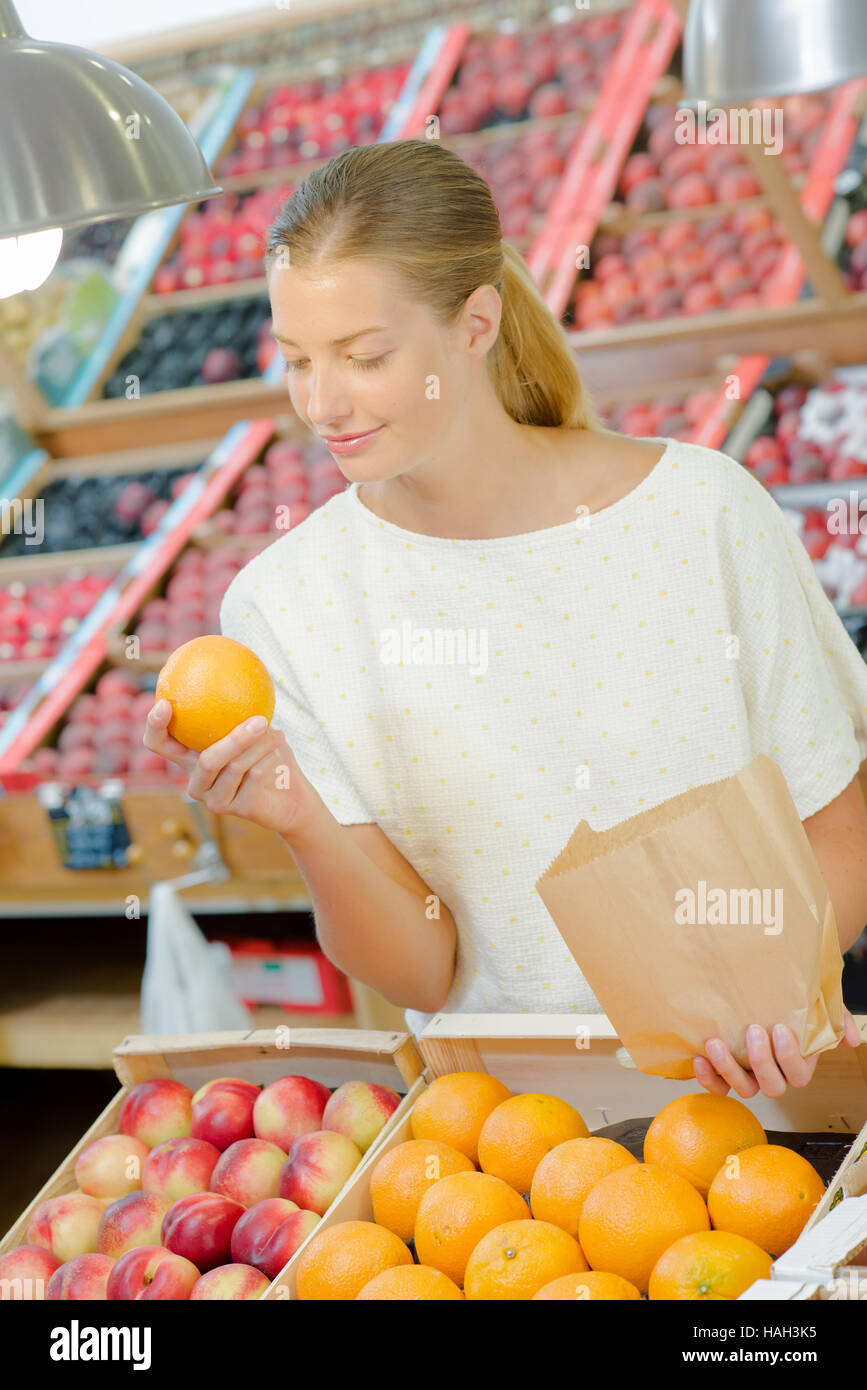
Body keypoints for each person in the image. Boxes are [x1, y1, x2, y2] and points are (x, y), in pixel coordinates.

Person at [145, 138, 867, 1099]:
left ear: (475, 323)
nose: (322, 404)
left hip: (762, 1104)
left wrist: (767, 995)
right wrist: (298, 820)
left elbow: (839, 830)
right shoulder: (286, 604)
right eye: (296, 361)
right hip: (506, 1149)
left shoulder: (704, 513)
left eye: (364, 357)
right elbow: (421, 970)